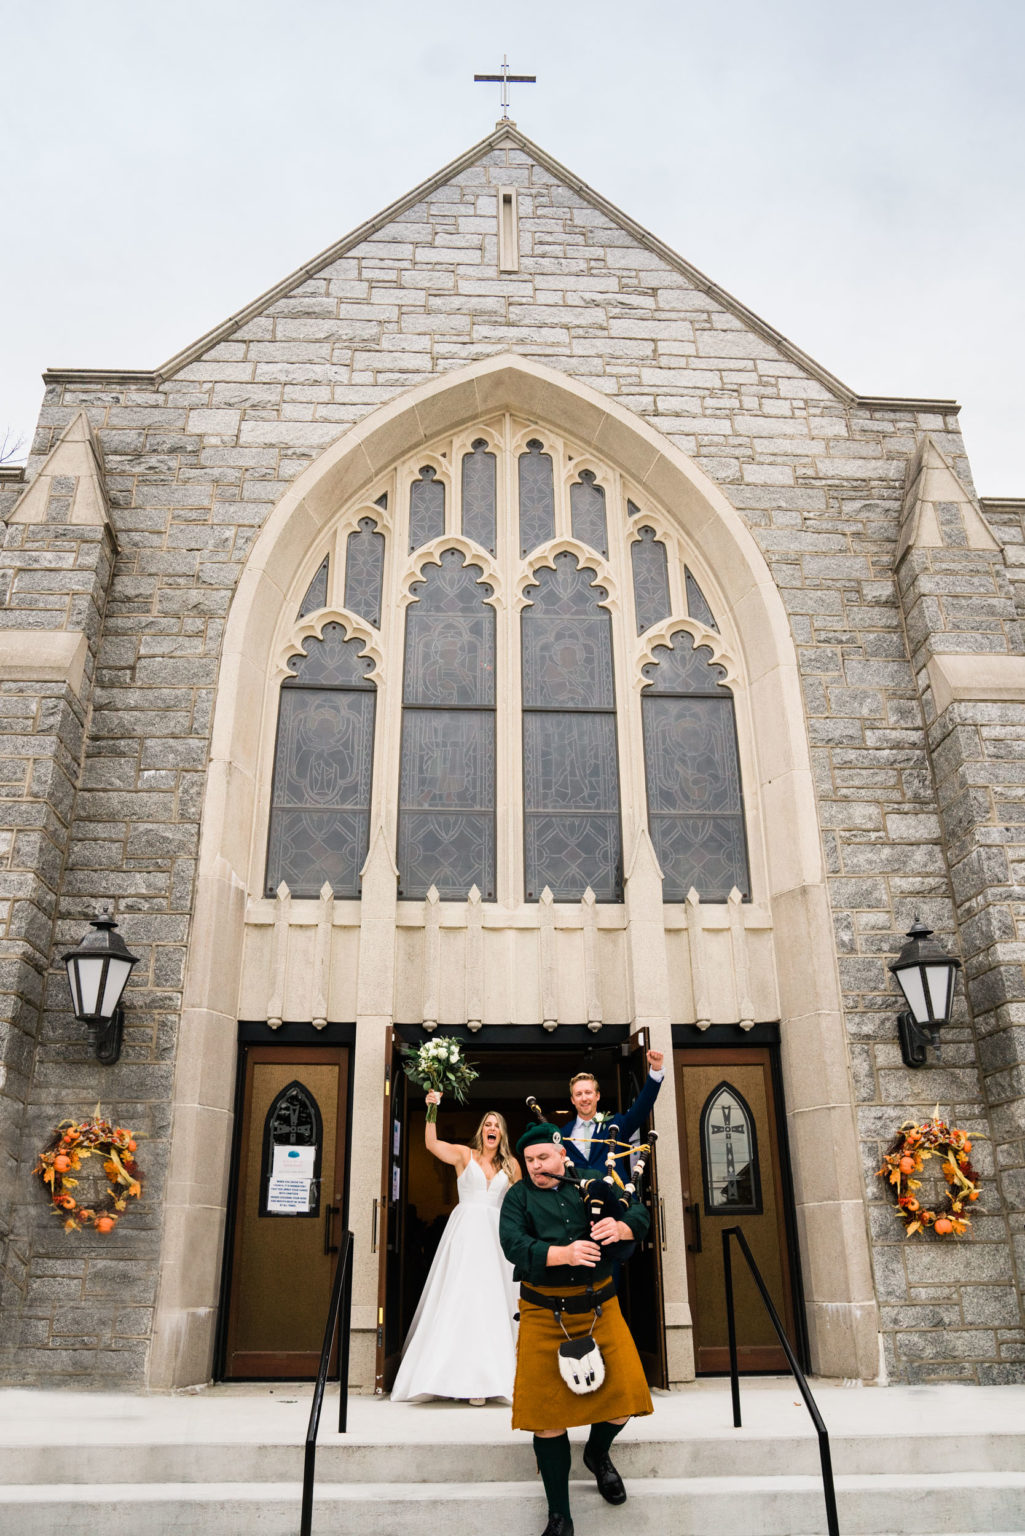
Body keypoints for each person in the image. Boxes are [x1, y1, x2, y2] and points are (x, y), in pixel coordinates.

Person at [499, 1121, 654, 1536]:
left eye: (542, 1158)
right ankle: (560, 1515)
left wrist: (623, 1227)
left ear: (561, 1152)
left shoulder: (592, 1182)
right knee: (547, 1418)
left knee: (625, 1400)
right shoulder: (517, 1197)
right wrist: (561, 1254)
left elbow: (638, 1208)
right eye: (528, 1161)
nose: (535, 1166)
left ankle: (597, 1454)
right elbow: (512, 1244)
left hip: (601, 1309)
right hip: (543, 1314)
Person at [390, 1097, 521, 1404]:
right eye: (487, 1124)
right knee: (462, 1297)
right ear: (481, 1130)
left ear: (503, 1134)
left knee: (495, 1299)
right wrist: (431, 1107)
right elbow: (432, 1143)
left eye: (497, 1125)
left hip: (498, 1235)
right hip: (467, 1233)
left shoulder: (512, 1164)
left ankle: (495, 1379)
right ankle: (461, 1380)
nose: (492, 1129)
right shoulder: (465, 1155)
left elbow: (518, 1204)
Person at [563, 1049, 665, 1172]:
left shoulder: (616, 1124)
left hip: (614, 1190)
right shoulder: (563, 1134)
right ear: (573, 1100)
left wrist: (656, 1070)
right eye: (578, 1094)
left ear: (597, 1096)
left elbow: (641, 1108)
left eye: (588, 1092)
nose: (584, 1098)